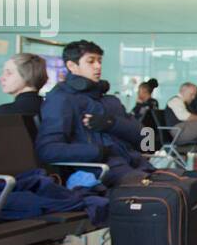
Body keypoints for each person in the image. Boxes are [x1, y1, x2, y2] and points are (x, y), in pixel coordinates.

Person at [35, 39, 151, 187]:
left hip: (138, 166)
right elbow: (47, 150)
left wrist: (111, 123)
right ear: (72, 66)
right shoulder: (61, 99)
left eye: (99, 61)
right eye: (91, 61)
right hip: (104, 173)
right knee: (167, 195)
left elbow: (147, 138)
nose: (98, 66)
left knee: (185, 186)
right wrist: (98, 152)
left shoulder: (110, 101)